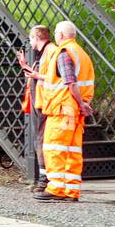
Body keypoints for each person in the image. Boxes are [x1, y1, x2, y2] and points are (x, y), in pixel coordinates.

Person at [37, 20, 95, 202]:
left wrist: (80, 103)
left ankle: (56, 188)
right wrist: (83, 104)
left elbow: (70, 82)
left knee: (54, 147)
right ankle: (71, 190)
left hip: (63, 109)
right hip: (75, 112)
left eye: (56, 33)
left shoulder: (64, 53)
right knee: (72, 150)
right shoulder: (82, 54)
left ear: (61, 35)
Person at [15, 25, 57, 194]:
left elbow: (56, 77)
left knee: (41, 141)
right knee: (40, 140)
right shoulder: (48, 52)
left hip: (46, 102)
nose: (30, 42)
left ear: (36, 37)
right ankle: (43, 179)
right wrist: (26, 66)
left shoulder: (52, 51)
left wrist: (36, 75)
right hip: (42, 101)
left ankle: (44, 180)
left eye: (31, 38)